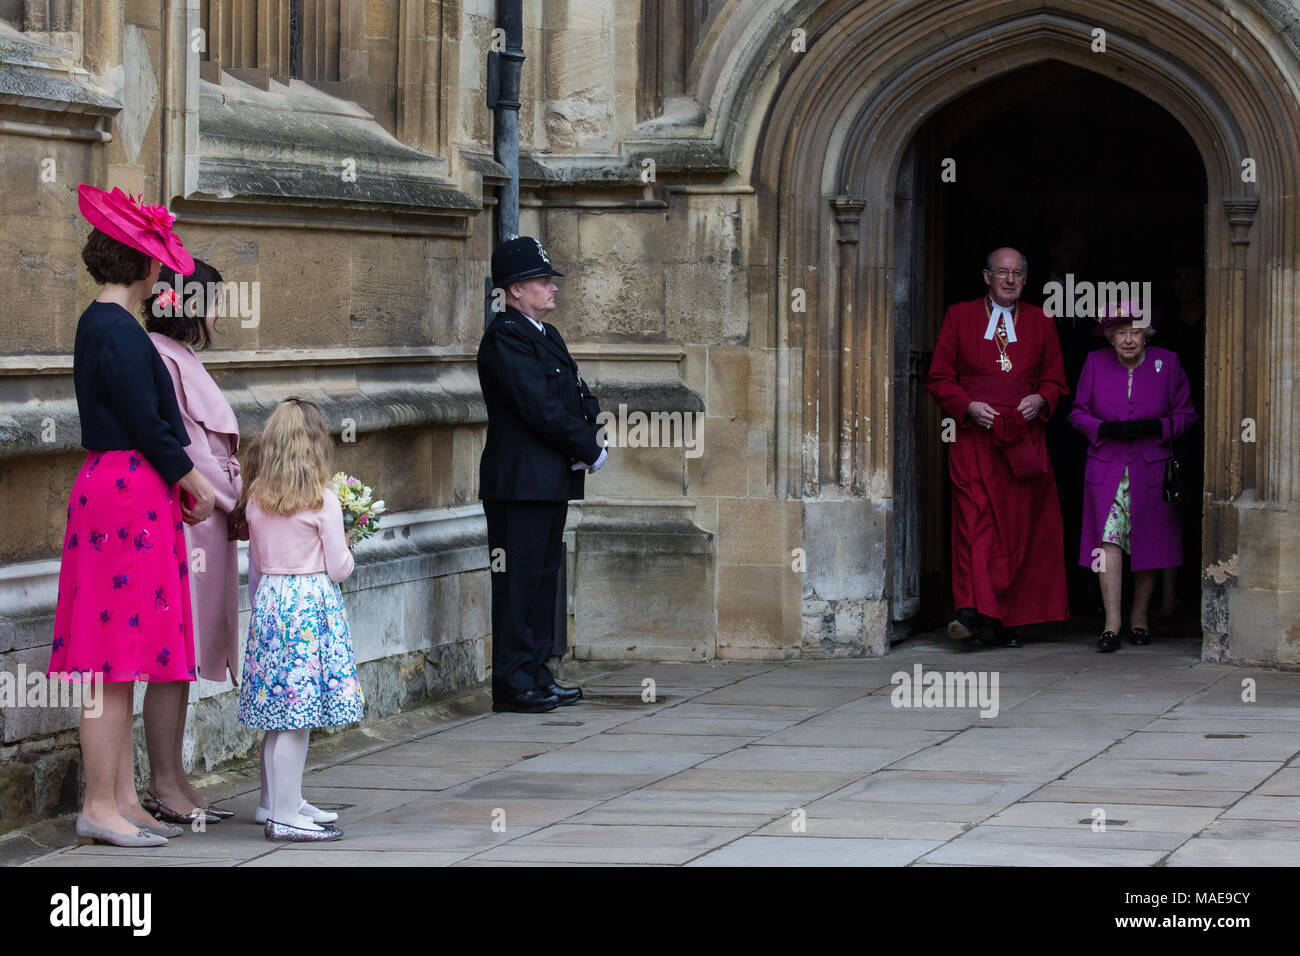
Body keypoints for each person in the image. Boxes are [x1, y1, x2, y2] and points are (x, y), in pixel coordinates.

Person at [50, 185, 217, 848]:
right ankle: (100, 803)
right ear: (144, 264)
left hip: (127, 493)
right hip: (124, 493)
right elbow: (147, 423)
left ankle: (121, 798)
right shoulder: (114, 327)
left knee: (121, 662)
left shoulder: (110, 324)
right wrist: (193, 479)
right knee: (110, 662)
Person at [477, 236, 605, 712]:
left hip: (547, 479)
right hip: (519, 484)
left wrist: (592, 431)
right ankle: (512, 683)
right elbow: (538, 408)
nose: (552, 288)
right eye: (541, 281)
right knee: (517, 583)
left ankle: (536, 670)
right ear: (514, 290)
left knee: (544, 580)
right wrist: (585, 445)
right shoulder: (506, 337)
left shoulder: (546, 336)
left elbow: (574, 392)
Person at [925, 247, 1070, 646]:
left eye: (1017, 274)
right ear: (986, 276)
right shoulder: (960, 315)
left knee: (1019, 531)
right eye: (1002, 272)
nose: (1009, 280)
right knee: (974, 525)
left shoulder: (1041, 321)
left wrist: (1041, 400)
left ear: (1026, 280)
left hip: (1024, 441)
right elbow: (939, 378)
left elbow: (1056, 381)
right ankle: (971, 613)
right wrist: (968, 406)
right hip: (975, 438)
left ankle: (1007, 620)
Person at [139, 260, 239, 826]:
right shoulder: (159, 355)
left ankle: (173, 776)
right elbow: (190, 448)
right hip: (190, 518)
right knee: (170, 656)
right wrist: (236, 497)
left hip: (203, 519)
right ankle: (162, 781)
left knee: (182, 656)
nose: (221, 310)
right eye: (214, 299)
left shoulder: (180, 355)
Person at [238, 398, 363, 841]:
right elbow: (339, 568)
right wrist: (349, 539)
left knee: (278, 713)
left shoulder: (256, 498)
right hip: (307, 607)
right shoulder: (322, 500)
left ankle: (275, 801)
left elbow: (256, 561)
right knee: (297, 716)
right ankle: (285, 816)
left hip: (271, 601)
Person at [1067, 302, 1197, 652]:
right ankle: (1112, 624)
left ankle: (1140, 617)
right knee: (1108, 542)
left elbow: (1187, 415)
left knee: (1147, 541)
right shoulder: (1094, 362)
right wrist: (1102, 427)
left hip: (1150, 467)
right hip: (1106, 466)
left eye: (1135, 332)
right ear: (1110, 337)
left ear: (1146, 336)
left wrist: (1158, 426)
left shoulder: (1166, 363)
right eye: (1121, 332)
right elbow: (1077, 413)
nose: (1128, 339)